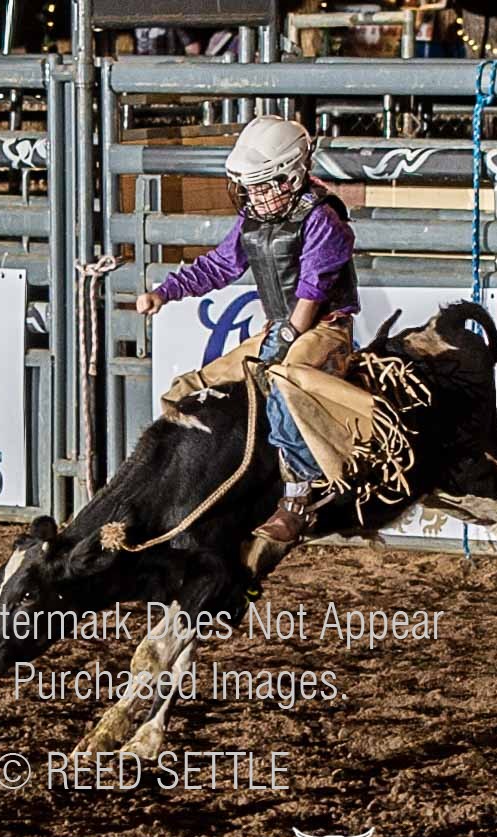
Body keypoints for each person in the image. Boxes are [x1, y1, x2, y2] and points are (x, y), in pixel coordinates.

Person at [136, 115, 360, 543]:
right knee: (197, 384)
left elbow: (313, 287)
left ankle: (300, 495)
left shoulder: (323, 220)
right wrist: (167, 291)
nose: (254, 196)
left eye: (262, 185)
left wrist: (289, 336)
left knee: (287, 391)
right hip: (281, 325)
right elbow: (220, 264)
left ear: (290, 177)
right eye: (250, 187)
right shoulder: (254, 220)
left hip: (323, 330)